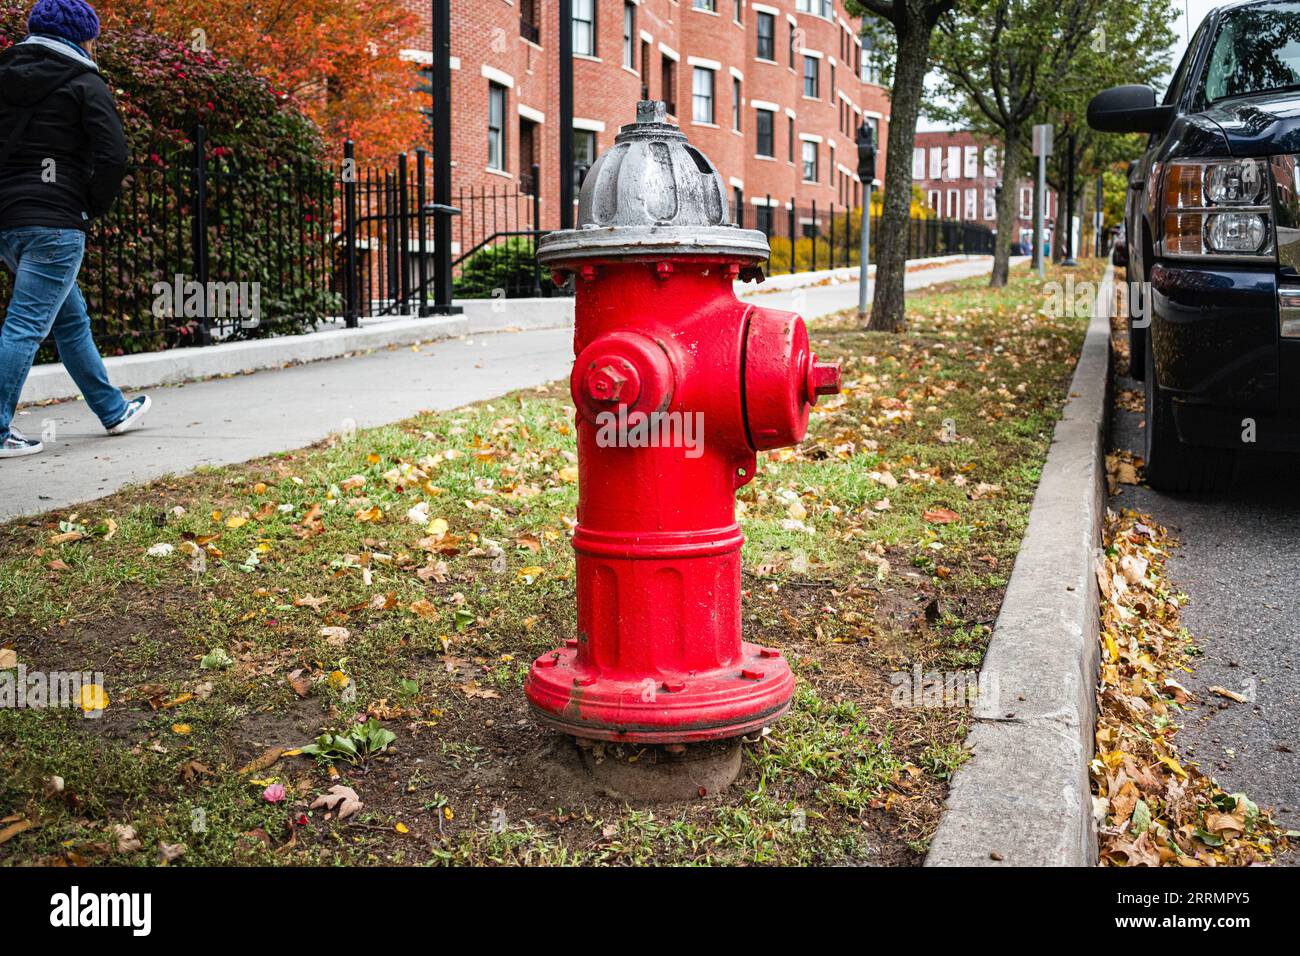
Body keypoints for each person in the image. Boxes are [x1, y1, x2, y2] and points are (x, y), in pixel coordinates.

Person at [0, 0, 149, 460]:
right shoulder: (85, 82)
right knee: (25, 325)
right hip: (56, 223)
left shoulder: (5, 74)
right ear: (83, 37)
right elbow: (114, 156)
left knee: (69, 320)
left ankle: (112, 409)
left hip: (8, 221)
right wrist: (87, 207)